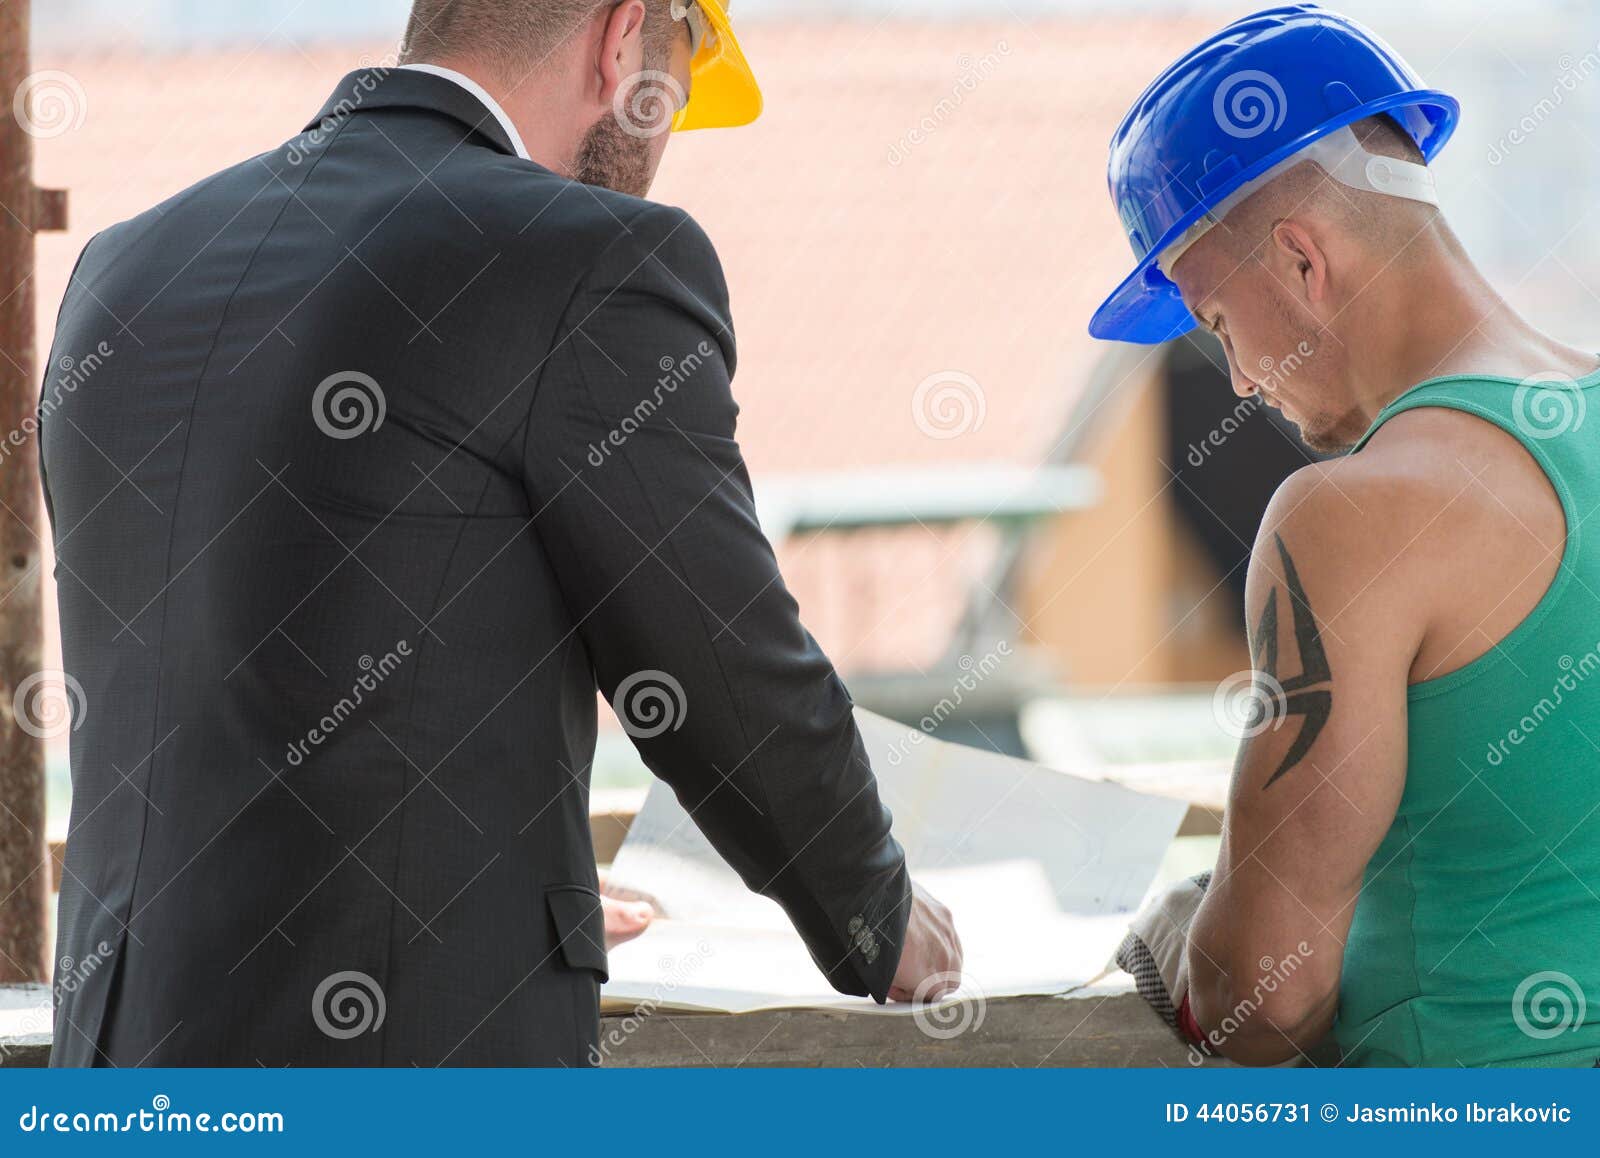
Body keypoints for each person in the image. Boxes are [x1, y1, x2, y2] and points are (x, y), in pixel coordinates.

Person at [40, 0, 959, 1067]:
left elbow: (248, 672)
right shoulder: (588, 258)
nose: (663, 146)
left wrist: (497, 879)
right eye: (676, 94)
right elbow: (719, 660)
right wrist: (877, 910)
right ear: (622, 42)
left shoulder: (126, 268)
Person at [1098, 5, 1600, 1066]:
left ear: (1299, 260)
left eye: (1218, 324)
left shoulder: (1347, 516)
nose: (1240, 382)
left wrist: (1177, 924)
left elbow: (1259, 1004)